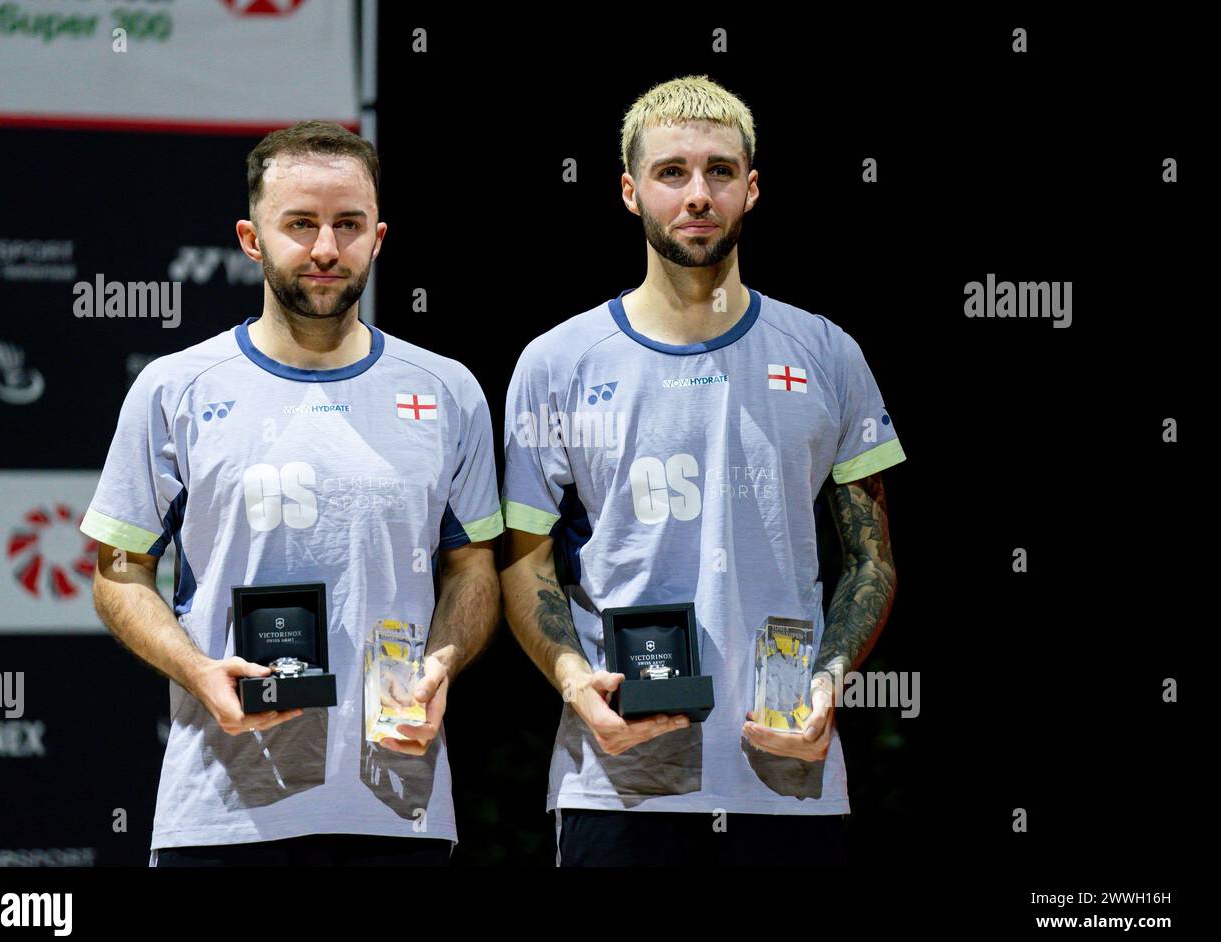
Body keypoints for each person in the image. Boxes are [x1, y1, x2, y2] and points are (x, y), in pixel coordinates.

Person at [499, 76, 905, 866]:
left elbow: (871, 557)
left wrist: (828, 678)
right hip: (616, 783)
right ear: (628, 191)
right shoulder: (557, 363)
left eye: (720, 172)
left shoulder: (827, 353)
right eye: (671, 172)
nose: (697, 194)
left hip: (787, 779)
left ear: (751, 190)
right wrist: (578, 683)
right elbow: (521, 559)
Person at [83, 121, 502, 867]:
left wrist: (441, 661)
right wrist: (198, 671)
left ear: (378, 237)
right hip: (219, 813)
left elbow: (473, 571)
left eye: (347, 225)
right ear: (251, 238)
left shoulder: (448, 391)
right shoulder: (175, 389)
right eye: (300, 224)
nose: (324, 250)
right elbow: (120, 574)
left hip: (395, 809)